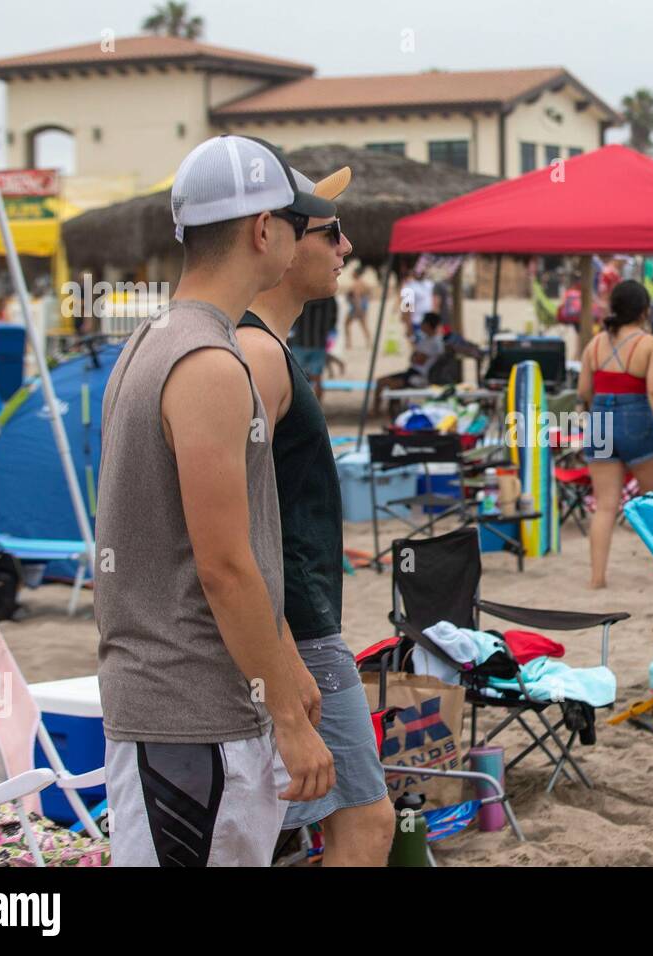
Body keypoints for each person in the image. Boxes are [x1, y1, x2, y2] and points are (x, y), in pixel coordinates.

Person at [95, 135, 337, 867]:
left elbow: (221, 546)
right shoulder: (207, 362)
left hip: (176, 712)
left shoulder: (154, 340)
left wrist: (286, 660)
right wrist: (287, 718)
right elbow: (223, 566)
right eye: (297, 222)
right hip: (193, 715)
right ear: (264, 230)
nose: (302, 239)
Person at [236, 166, 395, 867]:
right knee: (364, 819)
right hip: (295, 623)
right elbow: (228, 527)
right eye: (331, 232)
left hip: (294, 619)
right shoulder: (257, 354)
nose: (347, 245)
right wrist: (284, 657)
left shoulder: (266, 348)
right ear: (277, 238)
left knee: (299, 819)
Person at [577, 279, 653, 589]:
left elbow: (584, 390)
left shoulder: (593, 345)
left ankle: (597, 578)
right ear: (645, 311)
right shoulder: (651, 344)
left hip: (599, 418)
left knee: (605, 504)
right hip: (636, 418)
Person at [372, 312, 445, 417]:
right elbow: (415, 357)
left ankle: (378, 411)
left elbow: (418, 360)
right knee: (386, 383)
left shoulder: (432, 343)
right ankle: (390, 412)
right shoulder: (429, 340)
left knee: (384, 383)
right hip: (414, 372)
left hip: (418, 375)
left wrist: (414, 355)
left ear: (427, 325)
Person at [344, 262, 372, 350]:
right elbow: (370, 293)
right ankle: (369, 342)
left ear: (356, 274)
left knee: (346, 324)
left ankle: (349, 343)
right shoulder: (364, 283)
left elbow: (356, 296)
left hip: (356, 307)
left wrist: (358, 308)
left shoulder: (356, 284)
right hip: (363, 307)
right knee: (364, 325)